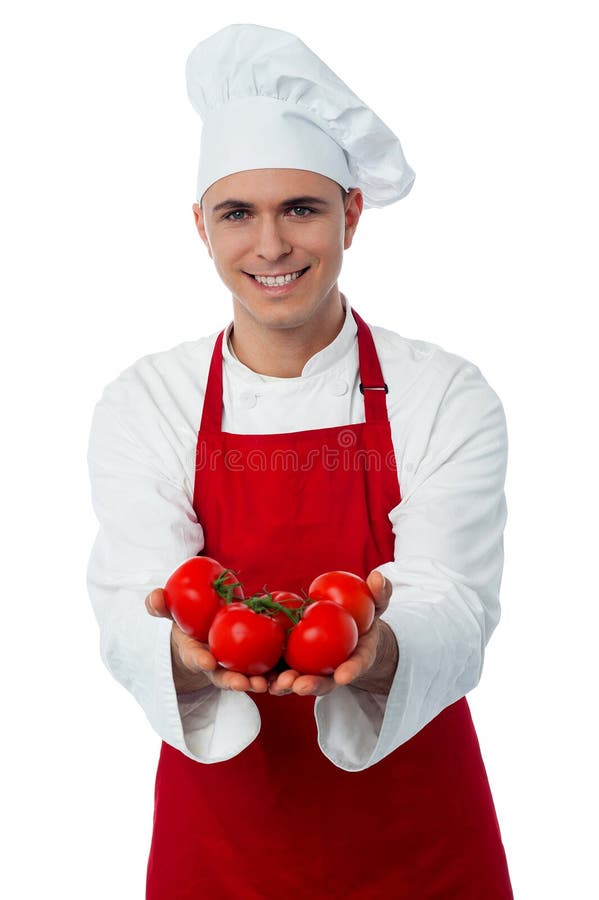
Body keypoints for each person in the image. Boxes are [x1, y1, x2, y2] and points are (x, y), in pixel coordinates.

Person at [86, 23, 514, 899]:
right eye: (238, 213)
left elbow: (452, 596)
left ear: (351, 214)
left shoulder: (443, 393)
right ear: (200, 226)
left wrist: (381, 642)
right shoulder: (149, 401)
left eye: (302, 209)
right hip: (225, 824)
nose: (271, 247)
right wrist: (182, 647)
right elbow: (133, 591)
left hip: (417, 825)